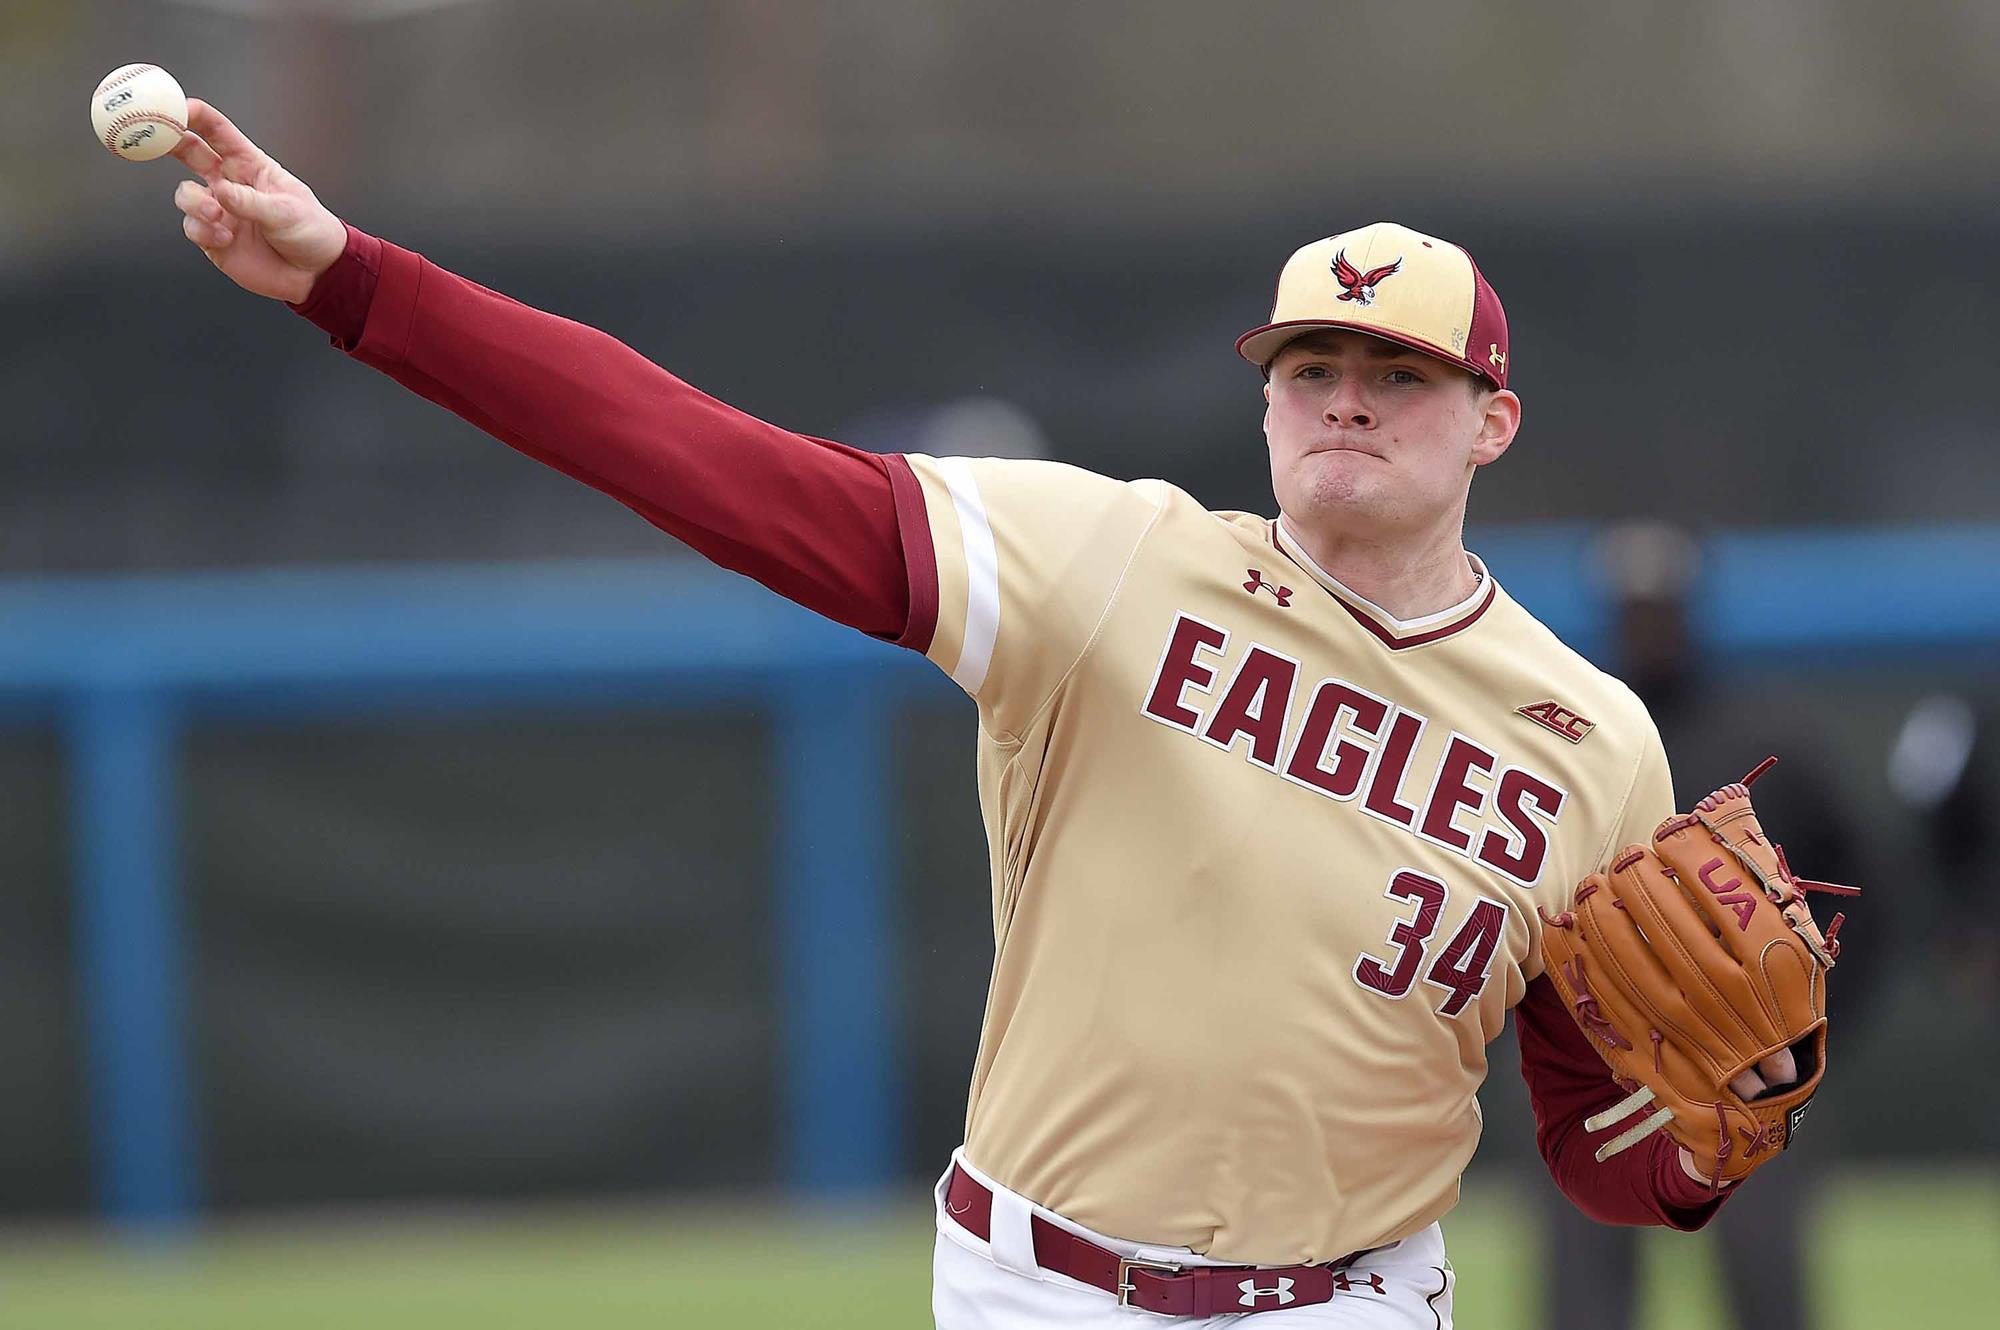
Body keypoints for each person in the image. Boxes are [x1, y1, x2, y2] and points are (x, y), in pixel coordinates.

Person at [163, 100, 1808, 1327]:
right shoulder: (1111, 561)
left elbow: (1600, 1144)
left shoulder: (1591, 742)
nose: (1346, 401)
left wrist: (1708, 1147)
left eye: (1399, 375)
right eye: (1310, 367)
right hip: (1047, 1295)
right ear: (1265, 399)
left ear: (1492, 422)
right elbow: (692, 451)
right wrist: (355, 285)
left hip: (1360, 1305)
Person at [1536, 523, 1879, 1330]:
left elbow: (1866, 891)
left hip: (1754, 1063)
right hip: (1603, 1066)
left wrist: (1816, 1034)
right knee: (1586, 1295)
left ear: (1692, 610)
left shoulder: (1769, 741)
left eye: (1661, 607)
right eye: (1633, 609)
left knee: (1767, 1286)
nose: (1648, 625)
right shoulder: (1569, 739)